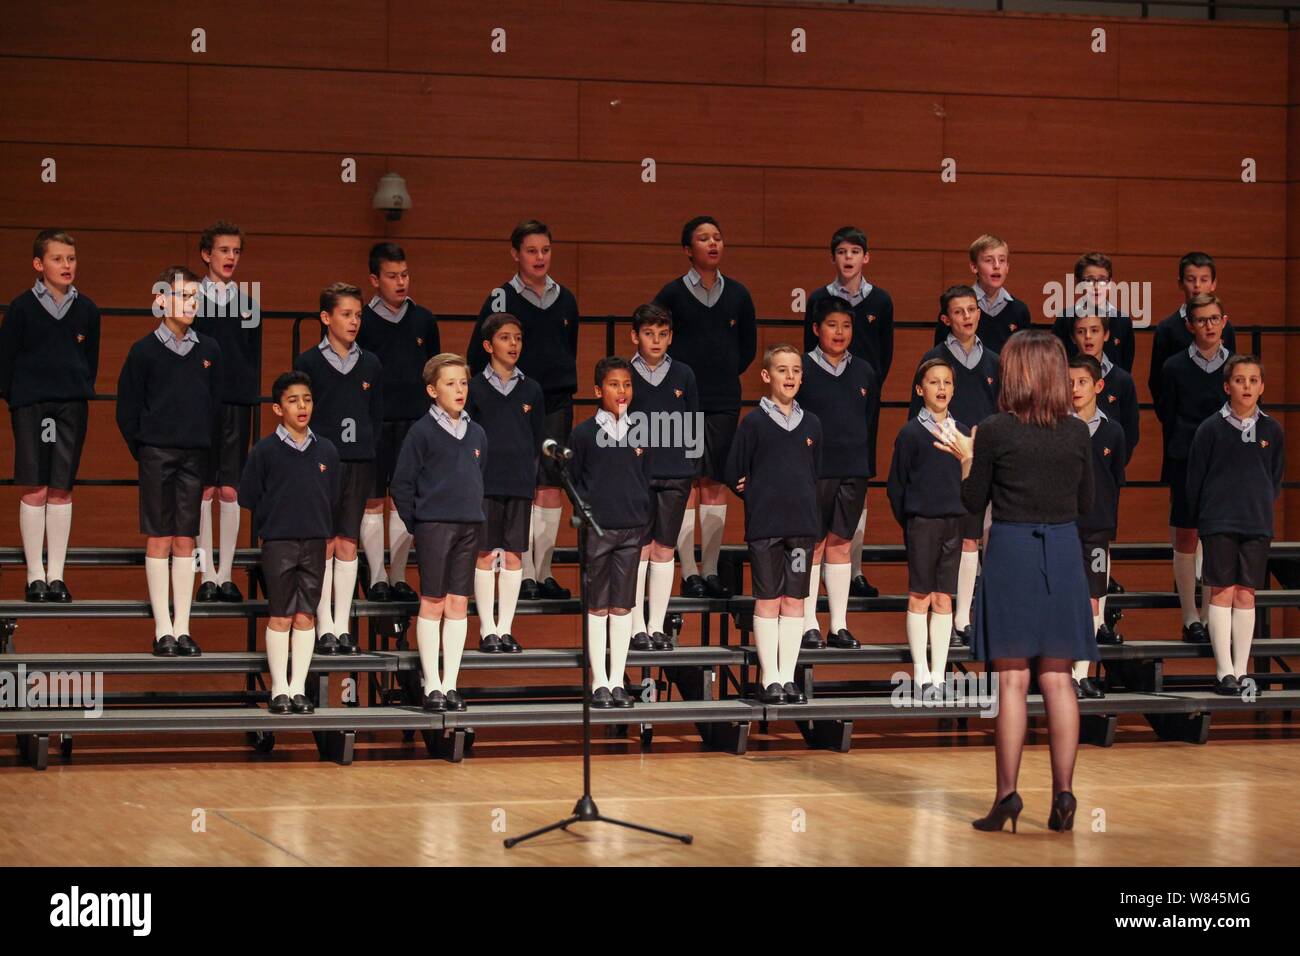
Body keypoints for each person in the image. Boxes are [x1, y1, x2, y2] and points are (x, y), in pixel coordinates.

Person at [934, 330, 1095, 834]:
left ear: (1017, 373)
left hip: (1012, 551)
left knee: (1011, 680)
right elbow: (1086, 504)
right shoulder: (1076, 432)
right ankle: (1064, 794)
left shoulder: (996, 430)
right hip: (1065, 552)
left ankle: (1007, 797)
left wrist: (965, 458)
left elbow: (971, 502)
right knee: (1059, 678)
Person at [468, 220, 580, 601]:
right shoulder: (500, 297)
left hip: (555, 403)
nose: (540, 258)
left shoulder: (565, 299)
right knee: (520, 486)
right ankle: (518, 569)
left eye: (546, 250)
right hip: (511, 403)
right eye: (531, 251)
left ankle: (541, 571)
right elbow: (474, 354)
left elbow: (569, 349)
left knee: (550, 487)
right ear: (516, 254)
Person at [116, 266, 222, 657]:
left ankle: (183, 627)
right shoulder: (143, 351)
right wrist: (147, 450)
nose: (191, 304)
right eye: (182, 297)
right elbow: (127, 410)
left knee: (186, 539)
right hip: (157, 454)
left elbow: (215, 405)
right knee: (160, 538)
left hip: (194, 455)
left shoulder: (209, 350)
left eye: (196, 298)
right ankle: (163, 629)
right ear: (161, 300)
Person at [654, 216, 758, 600]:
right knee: (687, 483)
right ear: (687, 249)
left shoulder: (739, 295)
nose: (712, 243)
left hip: (723, 401)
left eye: (718, 237)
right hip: (680, 403)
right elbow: (659, 342)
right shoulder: (671, 295)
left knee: (715, 482)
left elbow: (746, 349)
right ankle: (689, 570)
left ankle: (712, 569)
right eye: (703, 238)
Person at [0, 229, 101, 604]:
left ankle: (56, 576)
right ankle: (34, 577)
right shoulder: (21, 308)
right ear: (39, 265)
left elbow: (89, 362)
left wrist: (73, 389)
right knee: (35, 486)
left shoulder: (87, 310)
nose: (66, 265)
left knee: (61, 488)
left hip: (71, 405)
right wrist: (23, 398)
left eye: (71, 259)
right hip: (31, 405)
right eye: (58, 259)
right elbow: (5, 363)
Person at [238, 371, 341, 714]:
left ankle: (298, 688)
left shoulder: (326, 449)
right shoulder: (264, 451)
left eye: (307, 400)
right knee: (281, 615)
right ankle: (279, 689)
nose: (302, 406)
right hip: (279, 542)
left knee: (305, 616)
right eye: (293, 400)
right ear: (278, 408)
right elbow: (250, 495)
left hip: (314, 541)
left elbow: (333, 496)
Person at [724, 345, 822, 707]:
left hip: (801, 528)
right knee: (768, 600)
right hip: (766, 527)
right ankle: (770, 679)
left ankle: (787, 676)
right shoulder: (753, 422)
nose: (791, 377)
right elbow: (734, 471)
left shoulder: (812, 423)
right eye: (782, 370)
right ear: (767, 376)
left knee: (794, 601)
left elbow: (815, 470)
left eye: (796, 370)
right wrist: (760, 492)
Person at [801, 226, 894, 597]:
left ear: (866, 257)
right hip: (824, 405)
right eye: (842, 252)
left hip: (860, 398)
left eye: (856, 251)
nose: (849, 258)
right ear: (834, 258)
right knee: (821, 502)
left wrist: (860, 385)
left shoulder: (881, 301)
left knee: (858, 480)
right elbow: (808, 353)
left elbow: (884, 355)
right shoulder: (818, 298)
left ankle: (854, 568)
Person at [390, 354, 485, 714]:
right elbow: (401, 485)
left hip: (468, 525)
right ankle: (432, 684)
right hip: (434, 526)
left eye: (463, 382)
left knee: (459, 603)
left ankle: (450, 683)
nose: (459, 390)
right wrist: (422, 523)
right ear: (432, 390)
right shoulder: (422, 432)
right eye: (450, 383)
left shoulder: (476, 432)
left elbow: (479, 474)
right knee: (433, 602)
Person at [293, 282, 384, 655]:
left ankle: (341, 624)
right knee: (325, 542)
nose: (354, 322)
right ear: (326, 318)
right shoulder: (309, 363)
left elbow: (375, 416)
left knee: (348, 542)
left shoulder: (371, 363)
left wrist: (365, 447)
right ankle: (323, 625)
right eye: (346, 314)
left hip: (358, 462)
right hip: (320, 464)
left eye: (358, 315)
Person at [1186, 355, 1284, 697]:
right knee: (1223, 591)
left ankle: (1242, 672)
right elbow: (1196, 479)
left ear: (1262, 387)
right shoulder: (1210, 428)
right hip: (1219, 521)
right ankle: (1223, 671)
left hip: (1256, 521)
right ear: (1227, 387)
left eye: (1253, 380)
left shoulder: (1272, 429)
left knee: (1246, 594)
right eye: (1240, 380)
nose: (1247, 386)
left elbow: (1274, 476)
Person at [910, 285, 1000, 647]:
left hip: (987, 460)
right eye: (958, 312)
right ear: (947, 319)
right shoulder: (933, 359)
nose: (967, 317)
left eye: (972, 309)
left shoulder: (995, 361)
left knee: (982, 537)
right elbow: (915, 421)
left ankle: (976, 615)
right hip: (946, 461)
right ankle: (957, 617)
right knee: (961, 540)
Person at [357, 242, 441, 603]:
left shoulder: (424, 319)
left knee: (407, 498)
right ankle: (377, 575)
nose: (400, 281)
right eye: (392, 276)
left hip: (416, 422)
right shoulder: (362, 321)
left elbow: (435, 369)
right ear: (375, 279)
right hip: (374, 422)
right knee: (375, 499)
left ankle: (397, 574)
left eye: (404, 274)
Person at [568, 357, 653, 709]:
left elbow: (645, 477)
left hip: (632, 529)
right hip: (598, 531)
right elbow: (572, 478)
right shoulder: (584, 433)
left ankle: (618, 679)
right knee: (598, 607)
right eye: (615, 385)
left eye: (627, 384)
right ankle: (598, 681)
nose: (622, 391)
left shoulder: (642, 430)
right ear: (598, 390)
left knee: (622, 607)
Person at [796, 295, 878, 650]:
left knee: (842, 545)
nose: (840, 332)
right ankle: (809, 621)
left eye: (846, 326)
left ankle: (839, 625)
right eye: (832, 325)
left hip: (852, 470)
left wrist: (866, 465)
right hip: (814, 472)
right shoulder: (801, 368)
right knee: (813, 546)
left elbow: (870, 422)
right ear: (816, 329)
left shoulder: (864, 371)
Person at [1156, 293, 1233, 643]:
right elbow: (1167, 413)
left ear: (1224, 321)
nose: (1209, 326)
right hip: (1186, 457)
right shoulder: (1174, 366)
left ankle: (1209, 613)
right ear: (1190, 325)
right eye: (1201, 320)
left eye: (1215, 319)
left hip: (1226, 464)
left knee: (1216, 538)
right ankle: (1190, 618)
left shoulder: (1235, 368)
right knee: (1187, 536)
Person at [467, 313, 546, 653]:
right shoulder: (474, 388)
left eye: (517, 338)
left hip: (519, 482)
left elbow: (536, 437)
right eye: (505, 338)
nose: (513, 344)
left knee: (514, 556)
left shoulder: (532, 389)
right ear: (488, 345)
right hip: (483, 483)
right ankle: (487, 629)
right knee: (485, 554)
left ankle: (506, 628)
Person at [887, 358, 966, 699]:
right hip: (921, 523)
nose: (942, 389)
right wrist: (911, 519)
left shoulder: (962, 433)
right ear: (921, 390)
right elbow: (897, 485)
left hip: (954, 521)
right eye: (934, 382)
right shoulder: (910, 433)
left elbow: (971, 477)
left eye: (947, 382)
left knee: (943, 598)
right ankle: (920, 670)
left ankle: (939, 672)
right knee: (920, 595)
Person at [625, 303, 699, 652]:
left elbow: (693, 421)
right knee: (639, 549)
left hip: (675, 473)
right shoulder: (624, 373)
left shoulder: (684, 374)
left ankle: (657, 626)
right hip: (636, 474)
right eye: (649, 334)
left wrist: (691, 468)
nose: (656, 340)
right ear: (635, 336)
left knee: (664, 549)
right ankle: (635, 624)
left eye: (663, 334)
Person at [193, 221, 260, 604]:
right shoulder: (193, 300)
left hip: (237, 403)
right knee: (204, 489)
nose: (231, 257)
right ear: (207, 255)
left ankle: (226, 574)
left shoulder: (248, 304)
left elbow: (252, 358)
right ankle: (205, 575)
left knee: (231, 489)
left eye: (236, 251)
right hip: (201, 405)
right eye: (223, 250)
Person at [1068, 355, 1127, 701]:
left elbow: (1115, 477)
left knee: (1092, 601)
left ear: (1098, 386)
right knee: (1064, 599)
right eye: (1070, 382)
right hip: (1062, 527)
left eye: (1082, 382)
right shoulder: (1057, 427)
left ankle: (1082, 674)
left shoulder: (1113, 431)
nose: (1075, 389)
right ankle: (1059, 673)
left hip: (1097, 528)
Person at [933, 235, 1031, 355]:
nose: (996, 266)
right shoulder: (955, 307)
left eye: (1002, 260)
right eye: (989, 260)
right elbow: (939, 357)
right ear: (974, 267)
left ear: (1007, 268)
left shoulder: (1019, 310)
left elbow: (1025, 359)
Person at [1050, 253, 1135, 372]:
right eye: (1089, 280)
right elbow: (1055, 364)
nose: (1096, 286)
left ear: (1110, 284)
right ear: (1078, 283)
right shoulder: (1065, 319)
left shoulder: (1122, 322)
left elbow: (1125, 367)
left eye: (1102, 280)